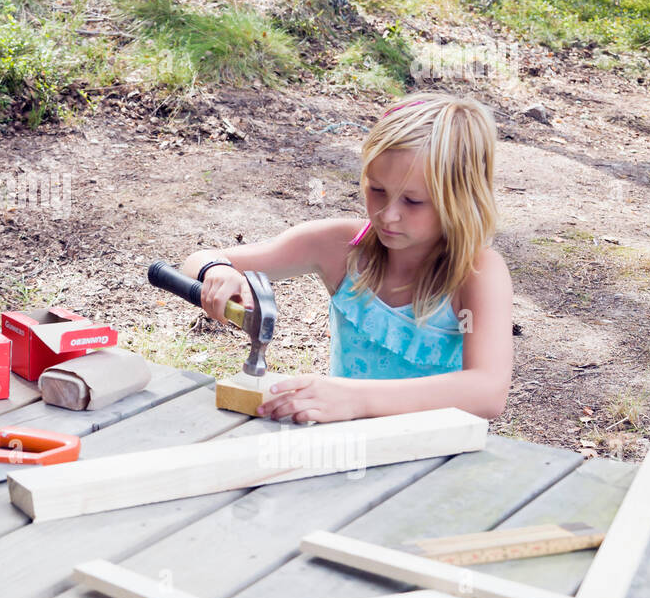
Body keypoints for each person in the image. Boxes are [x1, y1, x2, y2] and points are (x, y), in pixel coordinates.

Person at [181, 93, 512, 423]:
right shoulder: (340, 247)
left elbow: (487, 390)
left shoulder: (477, 273)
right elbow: (197, 259)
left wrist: (356, 399)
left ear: (462, 198)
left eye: (413, 201)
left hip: (436, 458)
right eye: (377, 189)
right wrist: (218, 270)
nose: (387, 214)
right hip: (342, 446)